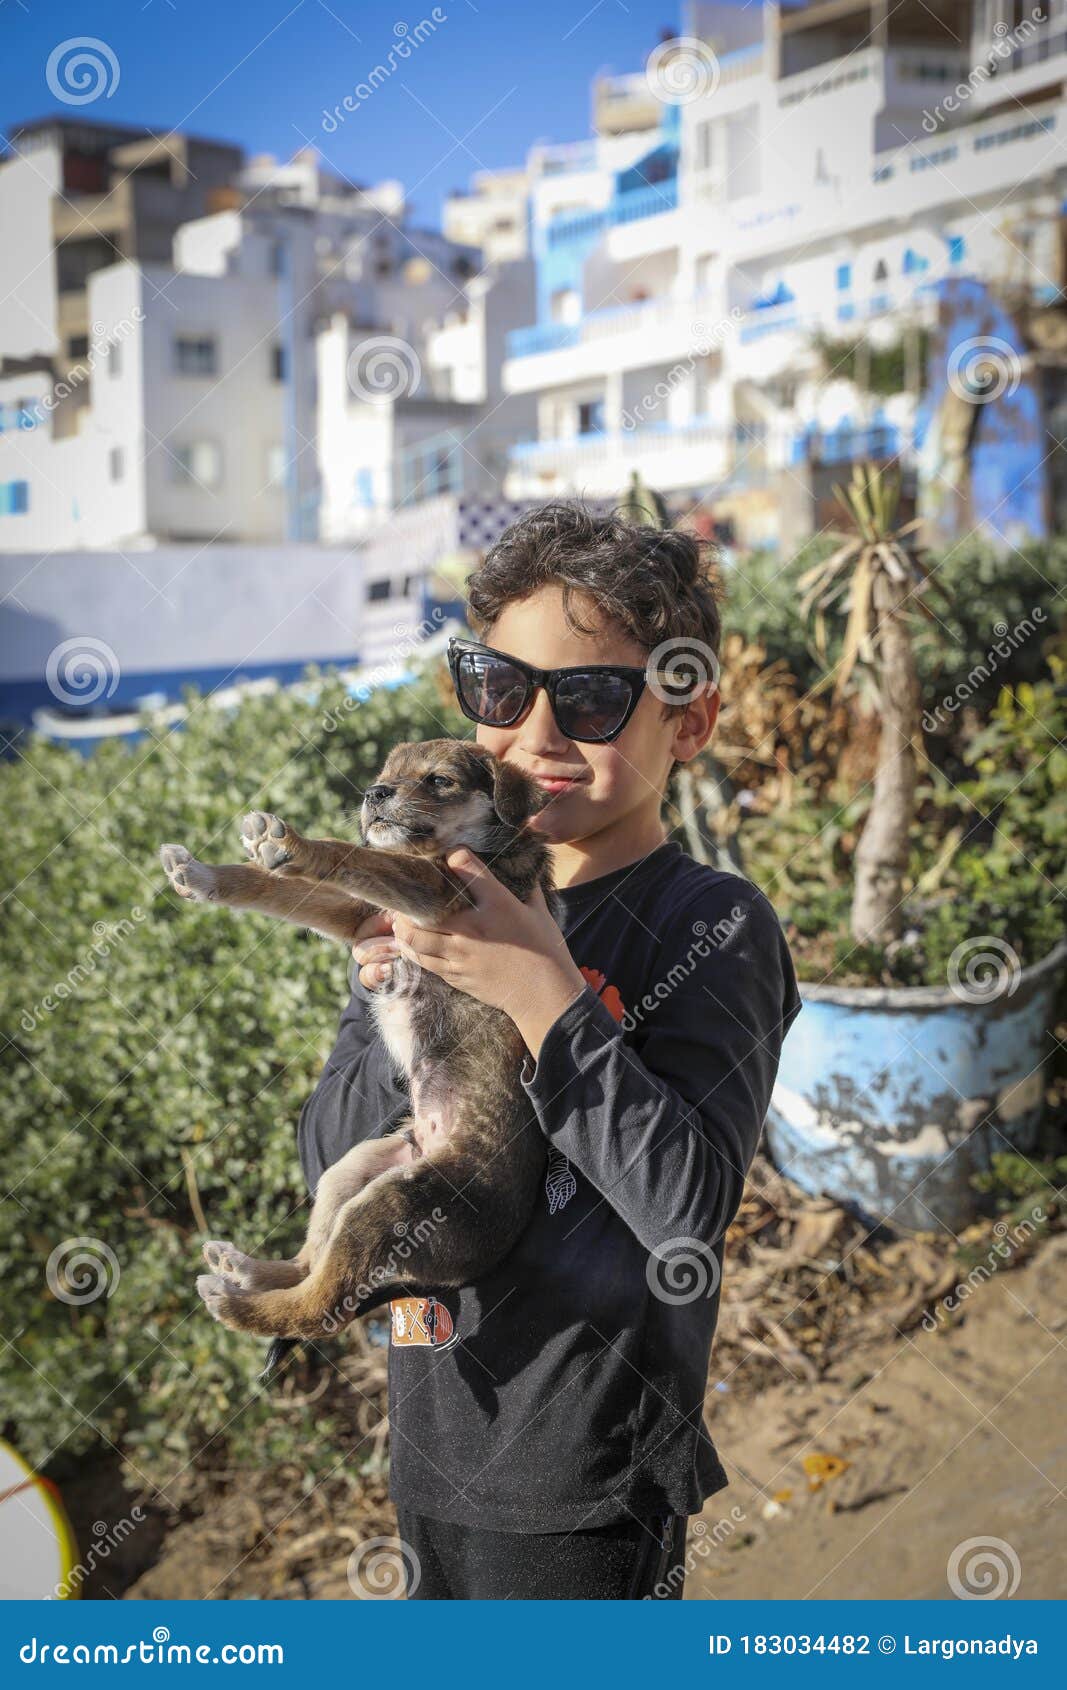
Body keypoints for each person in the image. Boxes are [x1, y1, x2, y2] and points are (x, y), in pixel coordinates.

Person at [296, 501, 801, 1600]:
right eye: (499, 688)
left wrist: (542, 992)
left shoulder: (708, 924)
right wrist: (392, 1001)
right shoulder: (435, 904)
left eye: (589, 697)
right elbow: (331, 1154)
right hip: (433, 1445)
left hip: (589, 1483)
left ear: (692, 720)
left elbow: (684, 1210)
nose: (532, 737)